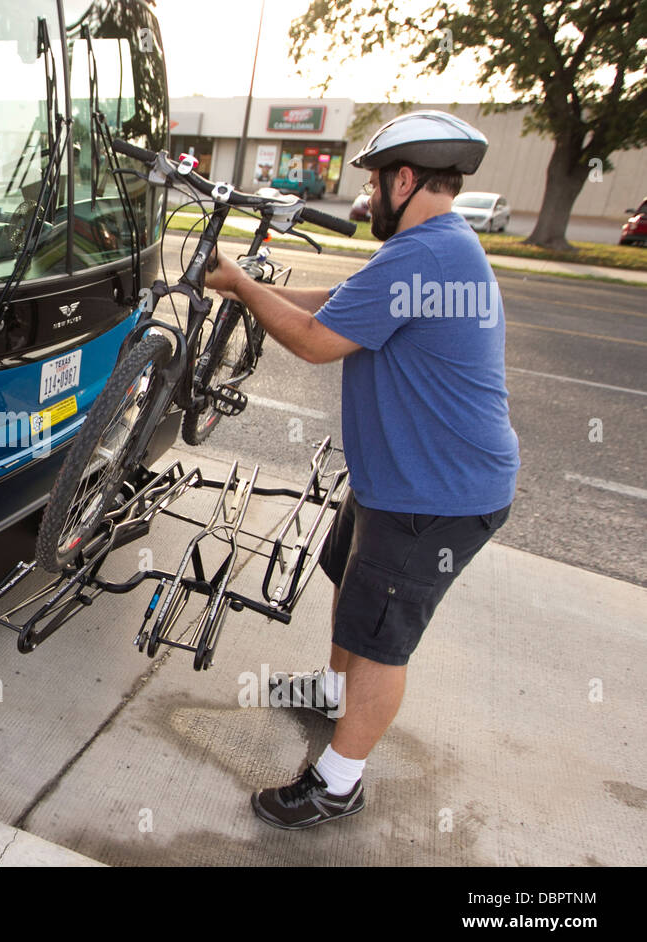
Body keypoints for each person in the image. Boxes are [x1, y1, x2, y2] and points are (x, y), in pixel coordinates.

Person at [201, 110, 520, 829]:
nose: (367, 200)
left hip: (435, 497)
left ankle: (338, 783)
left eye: (374, 185)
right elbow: (336, 306)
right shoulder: (433, 245)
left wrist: (244, 291)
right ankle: (331, 692)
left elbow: (316, 341)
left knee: (380, 638)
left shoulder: (425, 255)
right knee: (351, 582)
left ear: (403, 179)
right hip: (400, 482)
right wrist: (254, 284)